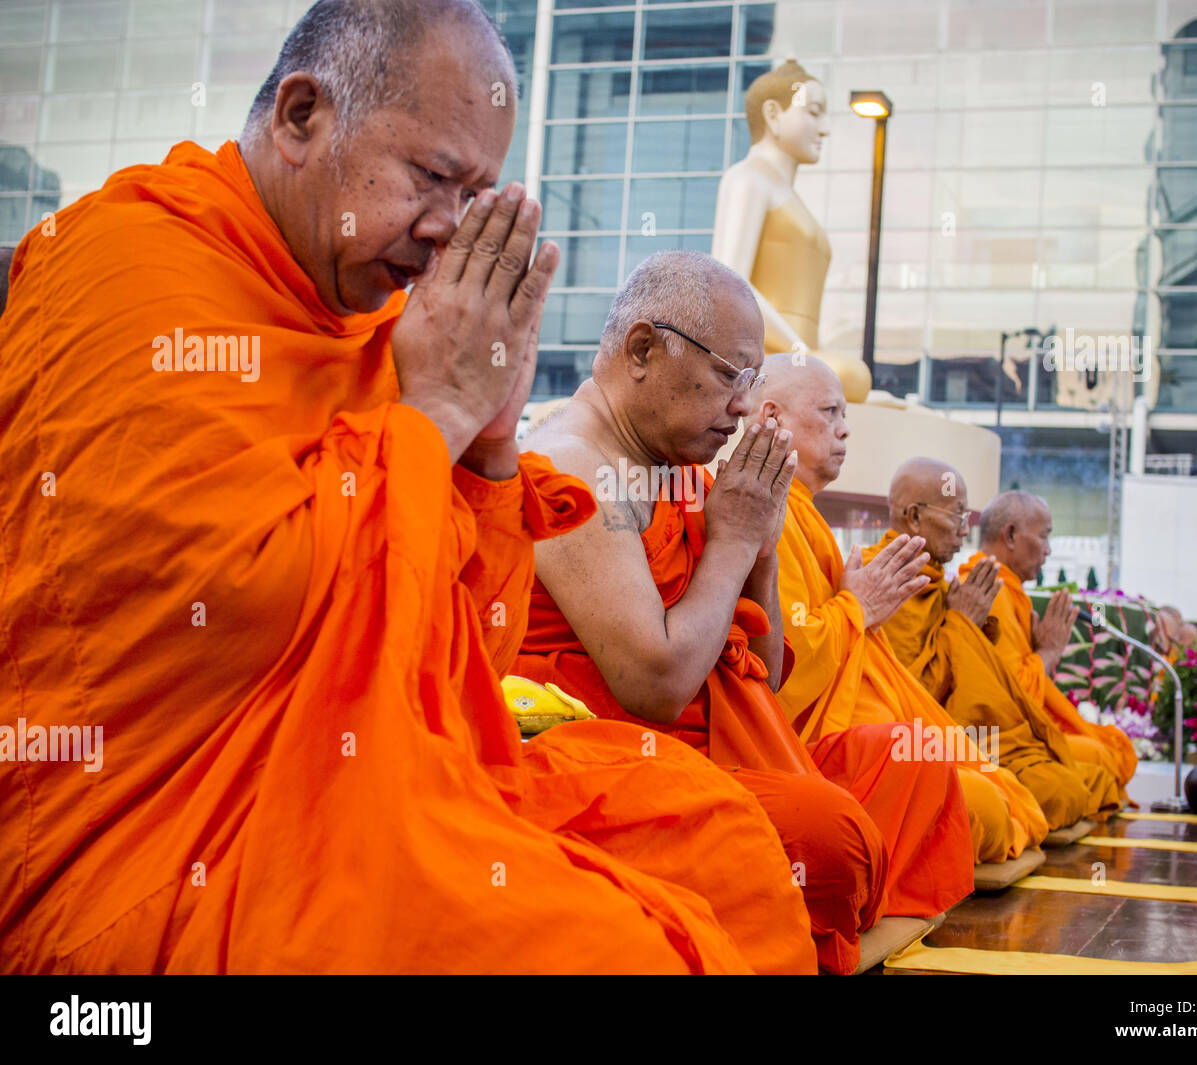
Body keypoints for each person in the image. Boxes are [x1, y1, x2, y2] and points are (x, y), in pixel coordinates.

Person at [0, 0, 819, 975]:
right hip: (168, 827)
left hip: (376, 769)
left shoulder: (370, 329)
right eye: (432, 177)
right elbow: (230, 622)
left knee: (716, 843)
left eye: (475, 197)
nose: (447, 234)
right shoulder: (129, 277)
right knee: (603, 949)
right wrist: (432, 413)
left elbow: (470, 646)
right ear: (302, 115)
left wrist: (489, 448)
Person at [514, 251, 974, 975]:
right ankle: (791, 918)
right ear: (642, 348)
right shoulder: (576, 468)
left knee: (909, 759)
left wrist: (757, 549)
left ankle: (793, 914)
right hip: (610, 767)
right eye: (730, 375)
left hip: (725, 750)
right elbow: (657, 684)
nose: (740, 405)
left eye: (749, 381)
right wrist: (732, 540)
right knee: (830, 838)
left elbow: (772, 668)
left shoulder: (683, 471)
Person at [752, 355, 1049, 864]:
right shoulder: (764, 513)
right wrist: (858, 608)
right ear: (772, 416)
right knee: (986, 803)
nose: (845, 431)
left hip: (873, 729)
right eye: (829, 413)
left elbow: (888, 671)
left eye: (845, 416)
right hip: (818, 743)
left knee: (998, 785)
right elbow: (782, 663)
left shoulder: (810, 519)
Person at [867, 458, 1122, 830]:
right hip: (921, 742)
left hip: (977, 735)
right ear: (914, 516)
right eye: (956, 516)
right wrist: (963, 625)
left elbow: (985, 685)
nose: (965, 530)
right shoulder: (891, 580)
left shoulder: (940, 584)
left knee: (1075, 780)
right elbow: (915, 698)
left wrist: (969, 629)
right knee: (1054, 791)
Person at [963, 491, 1137, 793]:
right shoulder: (989, 591)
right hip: (997, 742)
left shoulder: (1007, 590)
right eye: (1044, 537)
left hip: (1012, 737)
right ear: (1012, 534)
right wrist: (1048, 651)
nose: (1048, 550)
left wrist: (1037, 650)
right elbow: (1012, 700)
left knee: (1107, 748)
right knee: (1103, 756)